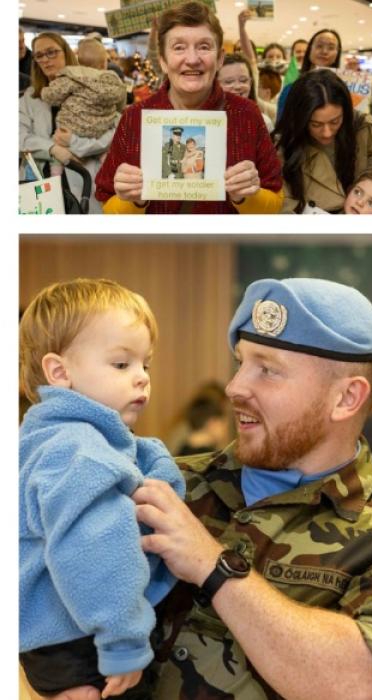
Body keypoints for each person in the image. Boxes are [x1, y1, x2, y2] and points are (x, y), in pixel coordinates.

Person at [45, 277, 372, 699]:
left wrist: (213, 565)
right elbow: (40, 574)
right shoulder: (155, 481)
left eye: (268, 370)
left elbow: (363, 683)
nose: (235, 387)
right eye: (241, 362)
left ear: (346, 398)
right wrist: (62, 682)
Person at [18, 280, 185, 700]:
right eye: (121, 364)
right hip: (84, 641)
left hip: (63, 636)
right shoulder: (80, 451)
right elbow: (96, 550)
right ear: (60, 373)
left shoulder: (54, 440)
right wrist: (123, 641)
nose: (142, 378)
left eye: (146, 364)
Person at [95, 1, 282, 214]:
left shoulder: (246, 114)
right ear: (163, 61)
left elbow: (275, 201)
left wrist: (248, 196)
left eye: (204, 47)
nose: (192, 59)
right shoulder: (134, 118)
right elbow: (107, 204)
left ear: (220, 58)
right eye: (179, 48)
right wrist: (133, 200)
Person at [21, 32, 115, 214]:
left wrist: (75, 144)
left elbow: (112, 130)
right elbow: (19, 136)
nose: (45, 60)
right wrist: (53, 149)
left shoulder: (90, 86)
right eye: (39, 55)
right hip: (41, 182)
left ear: (66, 52)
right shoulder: (30, 97)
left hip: (83, 178)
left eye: (51, 52)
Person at [275, 69, 372, 214]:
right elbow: (284, 207)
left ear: (345, 113)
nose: (327, 133)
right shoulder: (286, 149)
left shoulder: (361, 127)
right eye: (316, 124)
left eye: (335, 121)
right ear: (300, 120)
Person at [39, 38, 125, 141]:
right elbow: (121, 102)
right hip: (103, 130)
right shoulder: (113, 81)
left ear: (78, 62)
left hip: (73, 129)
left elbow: (52, 95)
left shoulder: (73, 76)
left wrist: (43, 91)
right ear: (104, 64)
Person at [276, 28, 341, 121]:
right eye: (319, 46)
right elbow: (282, 123)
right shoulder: (292, 88)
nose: (324, 51)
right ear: (309, 50)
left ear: (337, 54)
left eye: (331, 48)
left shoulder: (344, 88)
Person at [218, 52, 272, 132]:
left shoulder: (264, 121)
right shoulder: (208, 120)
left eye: (243, 80)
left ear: (250, 83)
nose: (237, 86)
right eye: (229, 82)